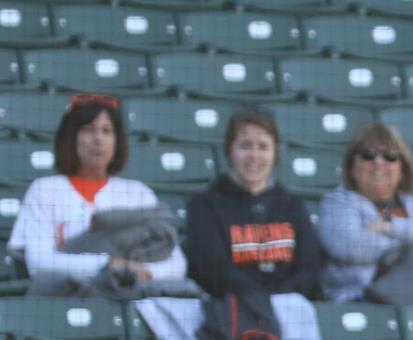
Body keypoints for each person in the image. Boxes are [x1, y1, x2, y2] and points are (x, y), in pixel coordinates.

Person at [9, 93, 187, 294]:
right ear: (71, 137)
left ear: (116, 141)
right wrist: (106, 265)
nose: (98, 139)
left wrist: (144, 273)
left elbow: (176, 262)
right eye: (88, 130)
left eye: (107, 131)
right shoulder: (44, 189)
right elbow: (39, 263)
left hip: (132, 298)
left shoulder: (138, 192)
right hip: (65, 300)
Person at [184, 106, 321, 306]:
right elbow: (212, 270)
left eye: (263, 147)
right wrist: (260, 298)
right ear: (229, 151)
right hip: (231, 310)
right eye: (245, 146)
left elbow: (309, 269)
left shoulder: (293, 206)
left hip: (289, 306)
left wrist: (278, 298)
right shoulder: (204, 205)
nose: (254, 156)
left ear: (275, 153)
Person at [316, 122, 413, 304]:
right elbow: (351, 247)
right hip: (364, 299)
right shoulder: (337, 202)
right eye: (368, 155)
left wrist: (388, 226)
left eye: (390, 156)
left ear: (402, 167)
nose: (378, 162)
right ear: (352, 165)